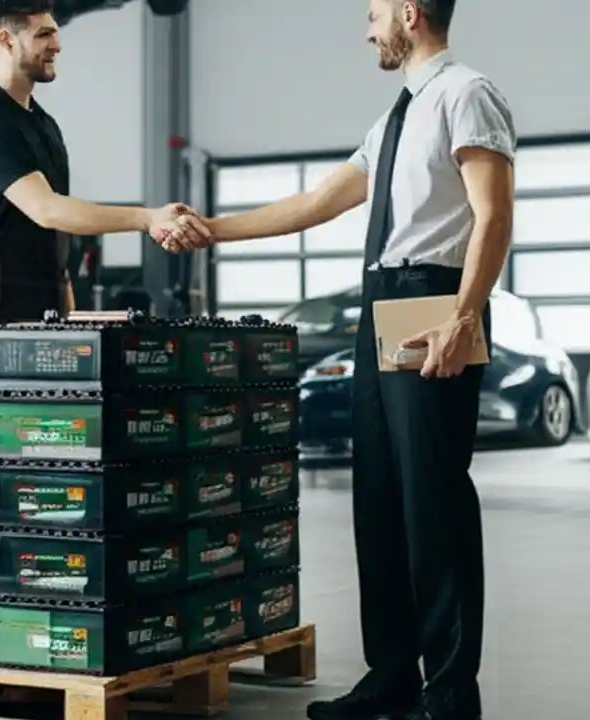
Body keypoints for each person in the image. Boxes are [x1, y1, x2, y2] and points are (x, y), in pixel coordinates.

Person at [166, 1, 515, 718]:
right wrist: (212, 232)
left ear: (409, 14)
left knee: (435, 506)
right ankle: (391, 676)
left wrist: (463, 316)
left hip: (435, 299)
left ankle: (449, 697)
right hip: (384, 300)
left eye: (373, 14)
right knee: (380, 501)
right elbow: (318, 202)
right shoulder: (396, 117)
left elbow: (494, 213)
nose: (366, 30)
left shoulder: (466, 95)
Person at [0, 0, 207, 323]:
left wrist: (64, 286)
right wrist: (147, 218)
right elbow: (47, 209)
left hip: (44, 301)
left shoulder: (44, 125)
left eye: (55, 33)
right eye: (44, 34)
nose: (57, 44)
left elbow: (58, 222)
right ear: (6, 40)